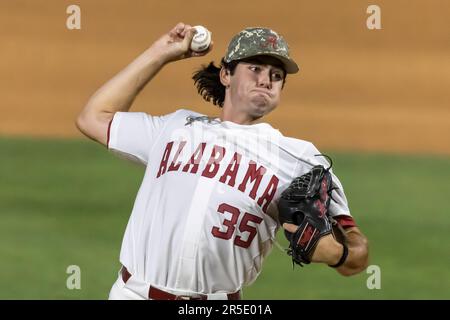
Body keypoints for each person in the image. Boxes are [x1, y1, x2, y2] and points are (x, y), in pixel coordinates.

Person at [76, 22, 369, 300]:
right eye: (255, 68)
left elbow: (357, 255)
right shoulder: (176, 128)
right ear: (226, 75)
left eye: (276, 75)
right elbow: (93, 118)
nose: (266, 80)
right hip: (134, 294)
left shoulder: (300, 159)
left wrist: (338, 254)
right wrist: (161, 52)